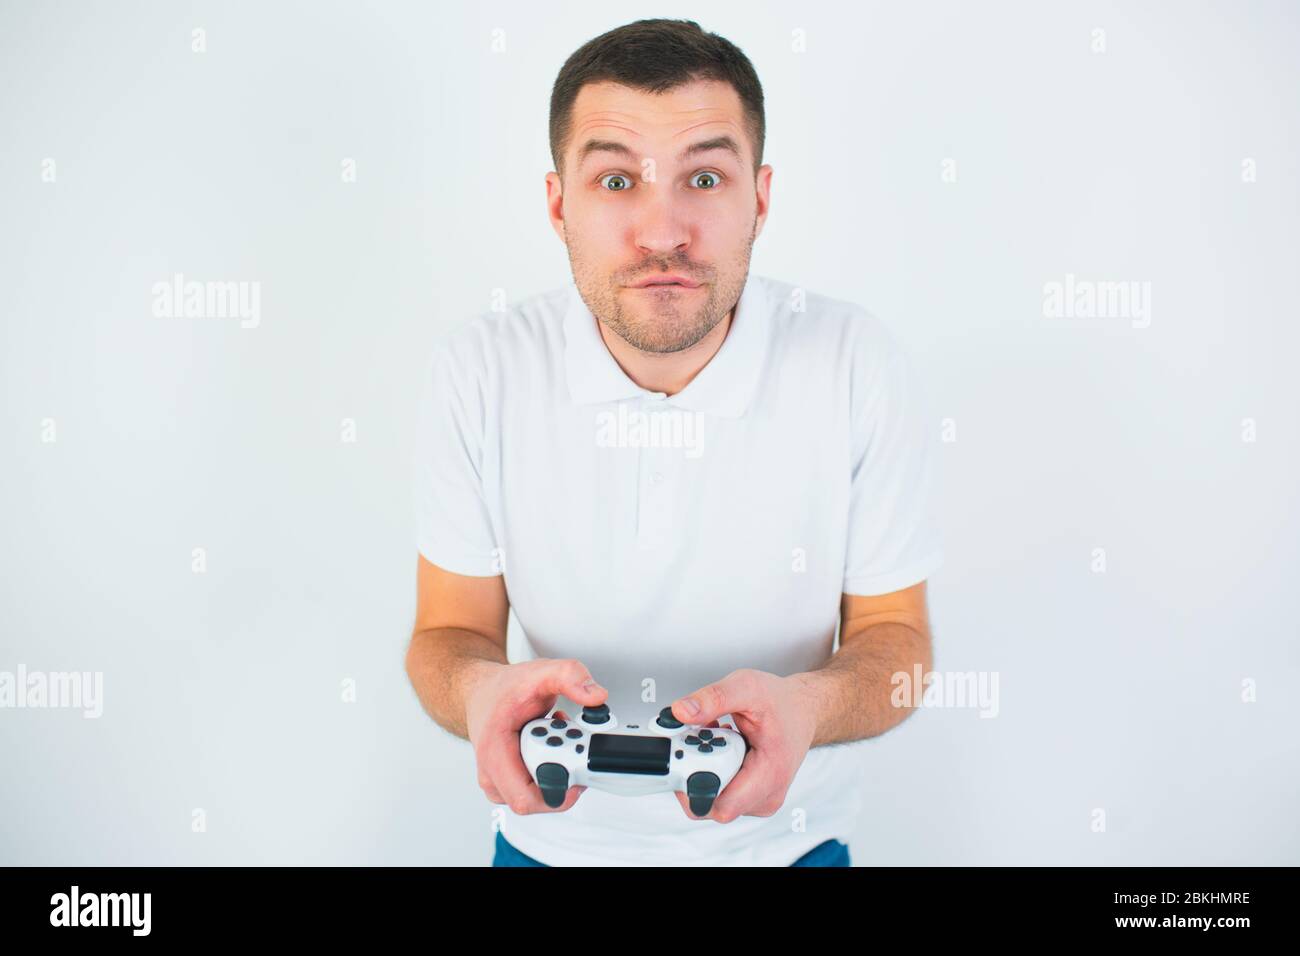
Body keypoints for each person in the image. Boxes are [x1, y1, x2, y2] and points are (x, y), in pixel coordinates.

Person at [406, 18, 943, 867]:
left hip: (790, 848)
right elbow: (447, 632)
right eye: (617, 180)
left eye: (703, 177)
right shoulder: (483, 368)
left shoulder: (853, 361)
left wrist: (808, 706)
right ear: (558, 204)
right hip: (551, 847)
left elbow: (896, 641)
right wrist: (479, 691)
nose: (663, 232)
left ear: (760, 197)